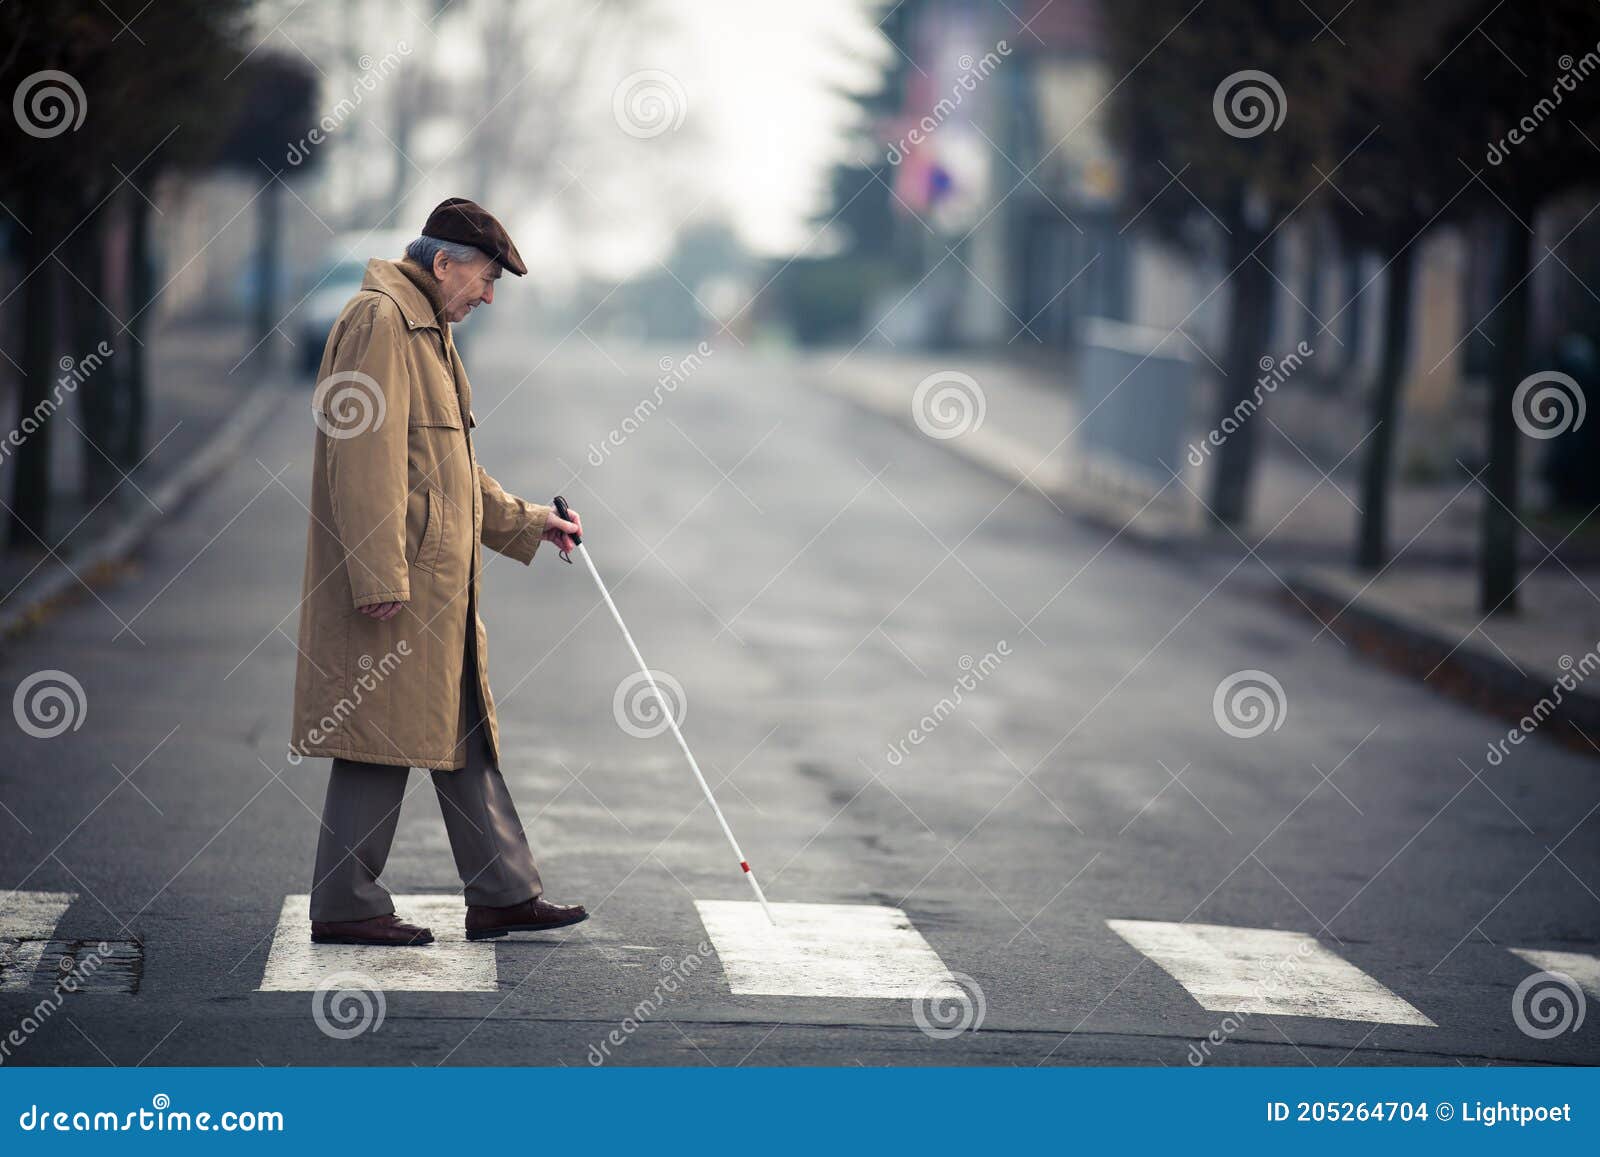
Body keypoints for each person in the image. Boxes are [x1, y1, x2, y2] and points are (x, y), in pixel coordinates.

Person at [289, 197, 587, 946]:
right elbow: (362, 462)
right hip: (402, 584)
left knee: (462, 734)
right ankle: (348, 903)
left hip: (438, 587)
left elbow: (448, 473)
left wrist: (527, 520)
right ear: (442, 263)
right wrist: (377, 574)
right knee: (375, 738)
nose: (488, 296)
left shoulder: (429, 331)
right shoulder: (381, 322)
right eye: (484, 279)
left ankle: (502, 893)